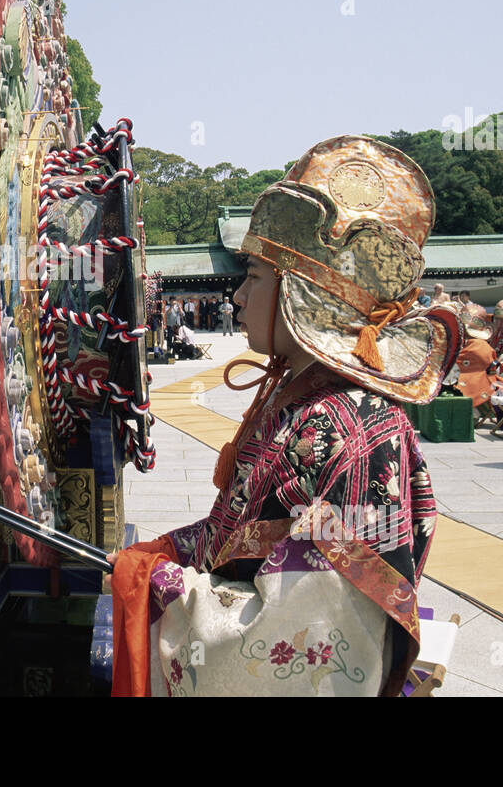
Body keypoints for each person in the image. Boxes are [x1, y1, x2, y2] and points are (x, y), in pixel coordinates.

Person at [109, 135, 458, 697]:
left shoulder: (356, 429)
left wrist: (163, 587)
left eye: (252, 276)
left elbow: (315, 634)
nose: (238, 297)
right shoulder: (296, 399)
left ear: (303, 292)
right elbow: (236, 535)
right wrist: (165, 552)